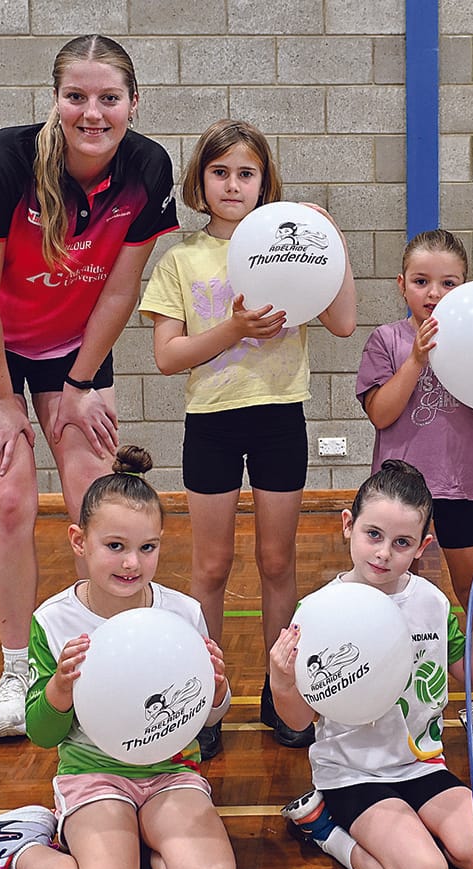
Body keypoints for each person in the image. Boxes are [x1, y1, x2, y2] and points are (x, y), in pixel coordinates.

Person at [0, 35, 178, 740]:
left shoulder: (147, 168)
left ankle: (119, 654)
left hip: (72, 342)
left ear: (133, 102)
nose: (92, 113)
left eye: (109, 98)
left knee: (99, 501)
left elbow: (123, 287)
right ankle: (17, 670)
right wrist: (6, 403)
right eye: (77, 97)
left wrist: (78, 383)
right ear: (55, 101)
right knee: (9, 497)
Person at [0, 446, 237, 869]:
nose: (132, 563)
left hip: (170, 772)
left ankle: (129, 849)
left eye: (148, 547)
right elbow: (43, 735)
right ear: (79, 540)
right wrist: (59, 687)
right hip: (93, 775)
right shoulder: (54, 622)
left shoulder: (183, 615)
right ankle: (17, 847)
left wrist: (217, 689)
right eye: (114, 546)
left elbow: (208, 720)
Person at [141, 119, 357, 758]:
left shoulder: (296, 249)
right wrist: (232, 329)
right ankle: (202, 699)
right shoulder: (181, 259)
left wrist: (331, 235)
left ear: (265, 183)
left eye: (246, 173)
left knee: (277, 561)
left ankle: (280, 689)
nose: (232, 184)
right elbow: (168, 356)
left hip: (278, 416)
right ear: (200, 182)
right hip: (211, 420)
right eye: (219, 172)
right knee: (210, 566)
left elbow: (343, 321)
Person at [267, 460, 473, 869]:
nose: (383, 553)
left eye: (402, 542)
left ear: (423, 546)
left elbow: (468, 675)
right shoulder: (320, 611)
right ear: (349, 525)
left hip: (420, 765)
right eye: (373, 535)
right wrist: (283, 681)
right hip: (352, 774)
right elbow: (300, 720)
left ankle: (410, 830)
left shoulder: (431, 603)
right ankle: (325, 828)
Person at [355, 229, 473, 755]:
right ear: (402, 284)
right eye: (422, 281)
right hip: (403, 499)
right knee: (402, 599)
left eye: (448, 283)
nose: (434, 292)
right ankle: (395, 688)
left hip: (463, 489)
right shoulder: (388, 341)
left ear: (464, 286)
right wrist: (418, 361)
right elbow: (381, 413)